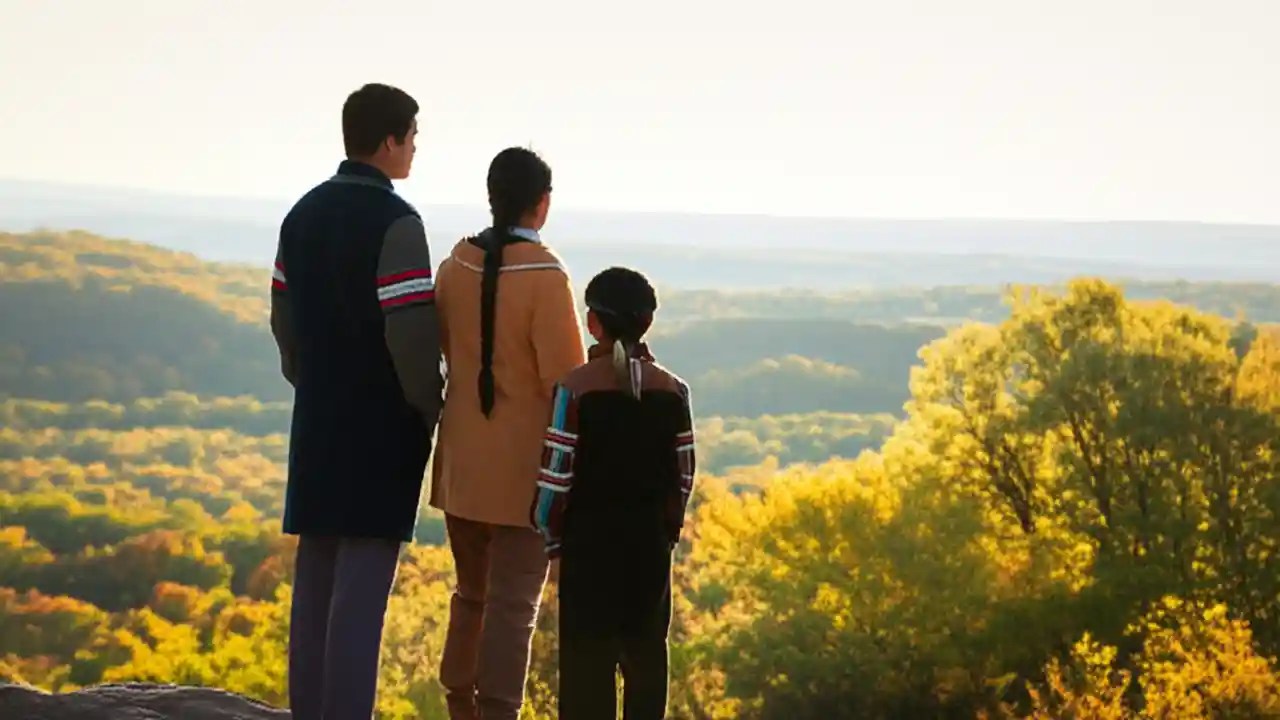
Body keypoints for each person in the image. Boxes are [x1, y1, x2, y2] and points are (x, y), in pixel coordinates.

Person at [269, 82, 443, 720]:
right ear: (391, 140)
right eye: (414, 137)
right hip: (380, 429)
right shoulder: (398, 224)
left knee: (314, 588)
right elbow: (411, 337)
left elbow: (283, 321)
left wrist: (312, 382)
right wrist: (428, 406)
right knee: (360, 600)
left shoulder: (301, 214)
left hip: (316, 421)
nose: (416, 149)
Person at [430, 146, 586, 719]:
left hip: (462, 463)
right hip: (526, 476)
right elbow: (566, 385)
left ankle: (459, 707)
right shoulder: (547, 277)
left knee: (471, 595)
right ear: (542, 205)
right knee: (513, 608)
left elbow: (442, 347)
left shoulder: (456, 264)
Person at [531, 266, 697, 719]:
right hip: (648, 552)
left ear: (592, 322)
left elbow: (554, 483)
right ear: (648, 322)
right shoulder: (674, 392)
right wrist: (667, 531)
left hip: (587, 553)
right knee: (646, 669)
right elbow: (683, 478)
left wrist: (552, 539)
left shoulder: (575, 389)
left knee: (586, 682)